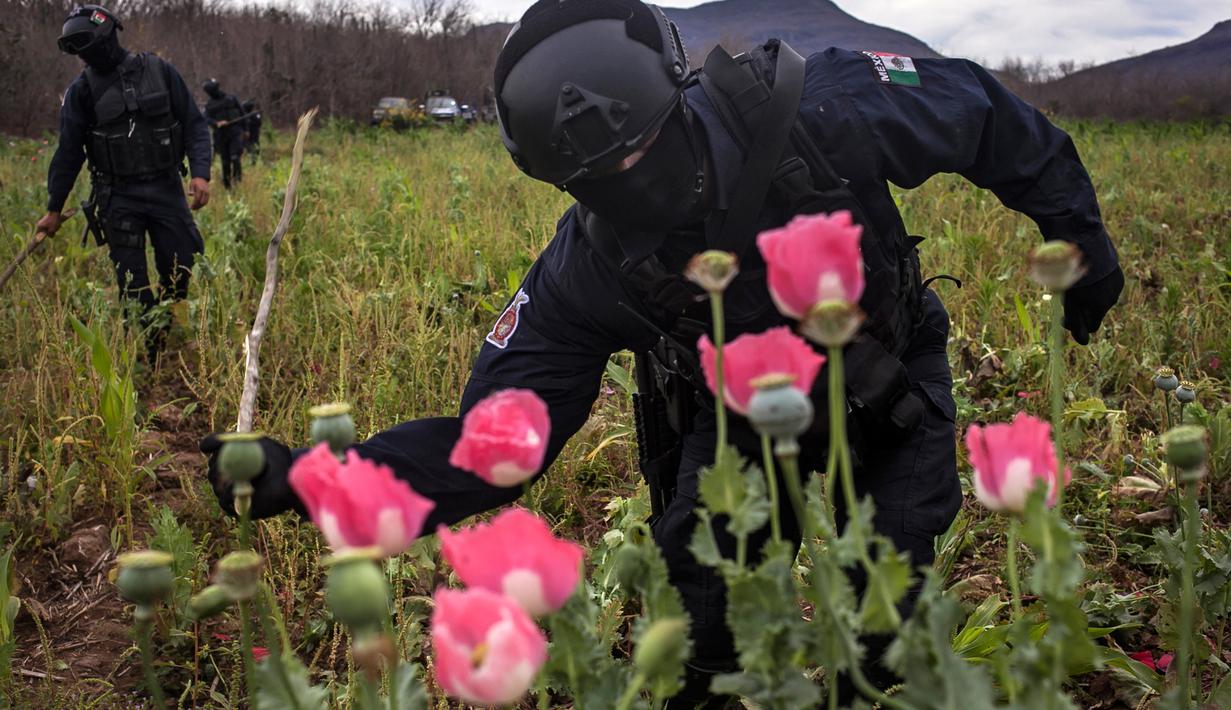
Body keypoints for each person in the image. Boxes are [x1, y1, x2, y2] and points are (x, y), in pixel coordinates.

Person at [202, 0, 1124, 705]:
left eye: (640, 150)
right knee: (706, 635)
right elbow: (492, 443)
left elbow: (989, 120)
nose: (629, 180)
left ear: (674, 100)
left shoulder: (820, 107)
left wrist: (1082, 249)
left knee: (883, 624)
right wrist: (314, 480)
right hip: (729, 428)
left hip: (884, 393)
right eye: (596, 177)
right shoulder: (585, 269)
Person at [37, 4, 210, 361]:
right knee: (132, 281)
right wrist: (54, 208)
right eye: (75, 49)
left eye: (85, 45)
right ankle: (152, 349)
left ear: (106, 35)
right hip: (117, 197)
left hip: (165, 188)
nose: (83, 55)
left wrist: (200, 173)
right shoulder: (81, 92)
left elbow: (194, 123)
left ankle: (171, 325)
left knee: (181, 263)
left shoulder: (160, 71)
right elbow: (68, 153)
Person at [202, 78, 245, 188]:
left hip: (235, 132)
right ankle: (227, 185)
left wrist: (246, 130)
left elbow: (242, 113)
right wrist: (217, 123)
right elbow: (205, 118)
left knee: (235, 157)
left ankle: (237, 182)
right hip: (221, 135)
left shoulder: (231, 98)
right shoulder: (209, 105)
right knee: (225, 162)